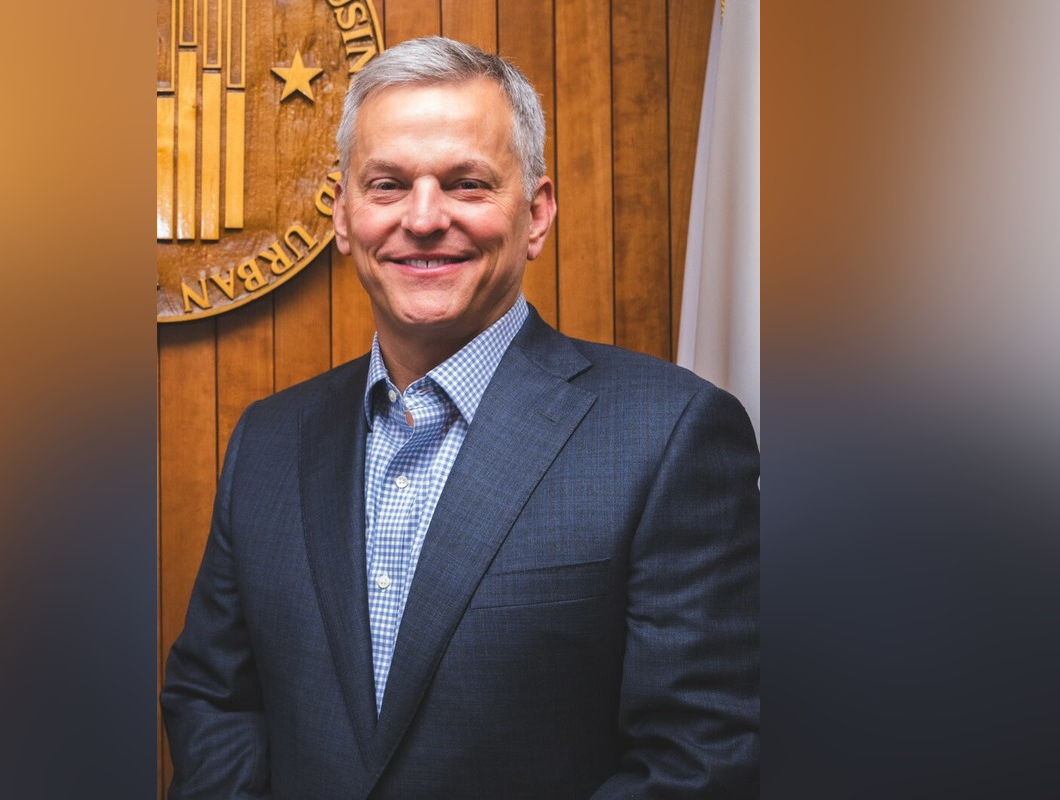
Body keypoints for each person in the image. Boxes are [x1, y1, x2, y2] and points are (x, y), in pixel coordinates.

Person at [161, 36, 759, 799]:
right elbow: (215, 700)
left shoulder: (669, 435)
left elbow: (700, 758)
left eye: (466, 183)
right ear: (344, 217)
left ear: (536, 215)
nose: (422, 217)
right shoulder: (270, 439)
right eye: (386, 185)